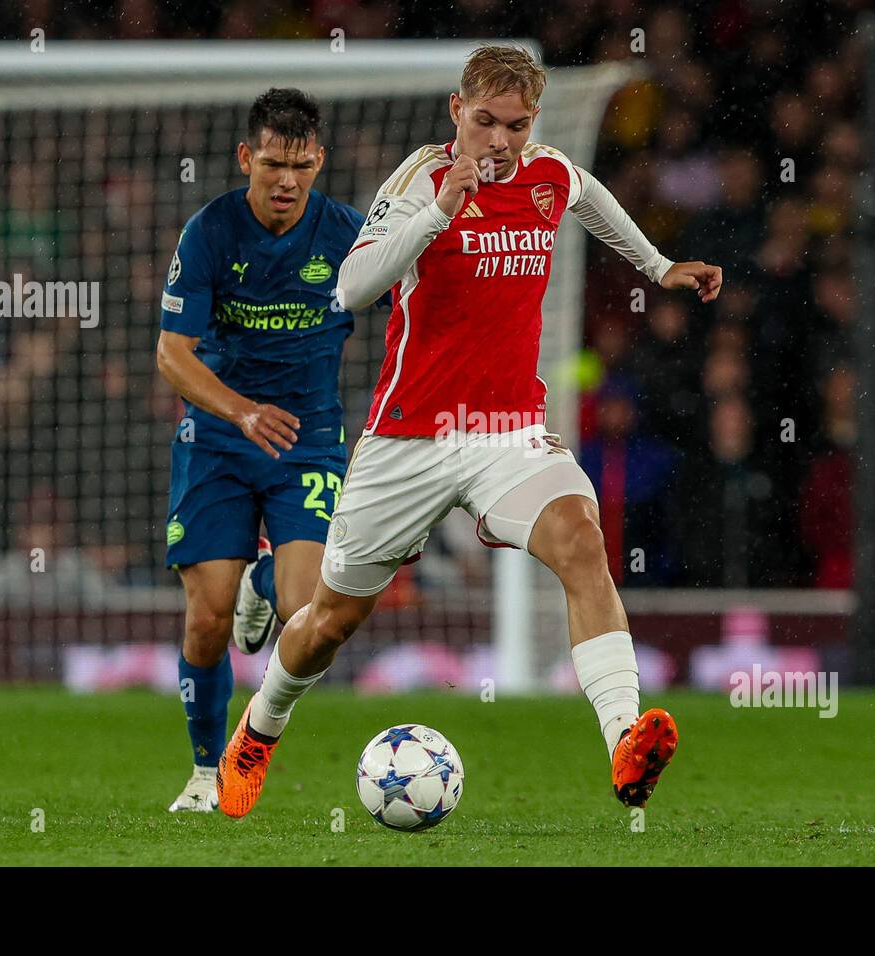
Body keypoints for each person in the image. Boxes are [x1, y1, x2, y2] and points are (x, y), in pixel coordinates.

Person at [216, 45, 722, 817]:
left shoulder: (548, 171)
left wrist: (657, 268)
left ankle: (625, 740)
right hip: (408, 438)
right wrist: (438, 210)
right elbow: (350, 288)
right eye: (483, 121)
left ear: (533, 123)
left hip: (507, 431)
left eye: (514, 125)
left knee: (582, 542)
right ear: (457, 112)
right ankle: (258, 729)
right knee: (328, 622)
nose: (498, 140)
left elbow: (590, 198)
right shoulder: (421, 178)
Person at [154, 88, 378, 812]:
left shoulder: (348, 236)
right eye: (275, 163)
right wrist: (242, 411)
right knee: (207, 617)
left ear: (320, 162)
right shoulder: (210, 233)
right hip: (220, 437)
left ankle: (263, 584)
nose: (287, 180)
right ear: (247, 158)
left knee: (305, 610)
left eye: (302, 166)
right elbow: (171, 355)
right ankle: (202, 772)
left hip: (309, 444)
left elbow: (413, 318)